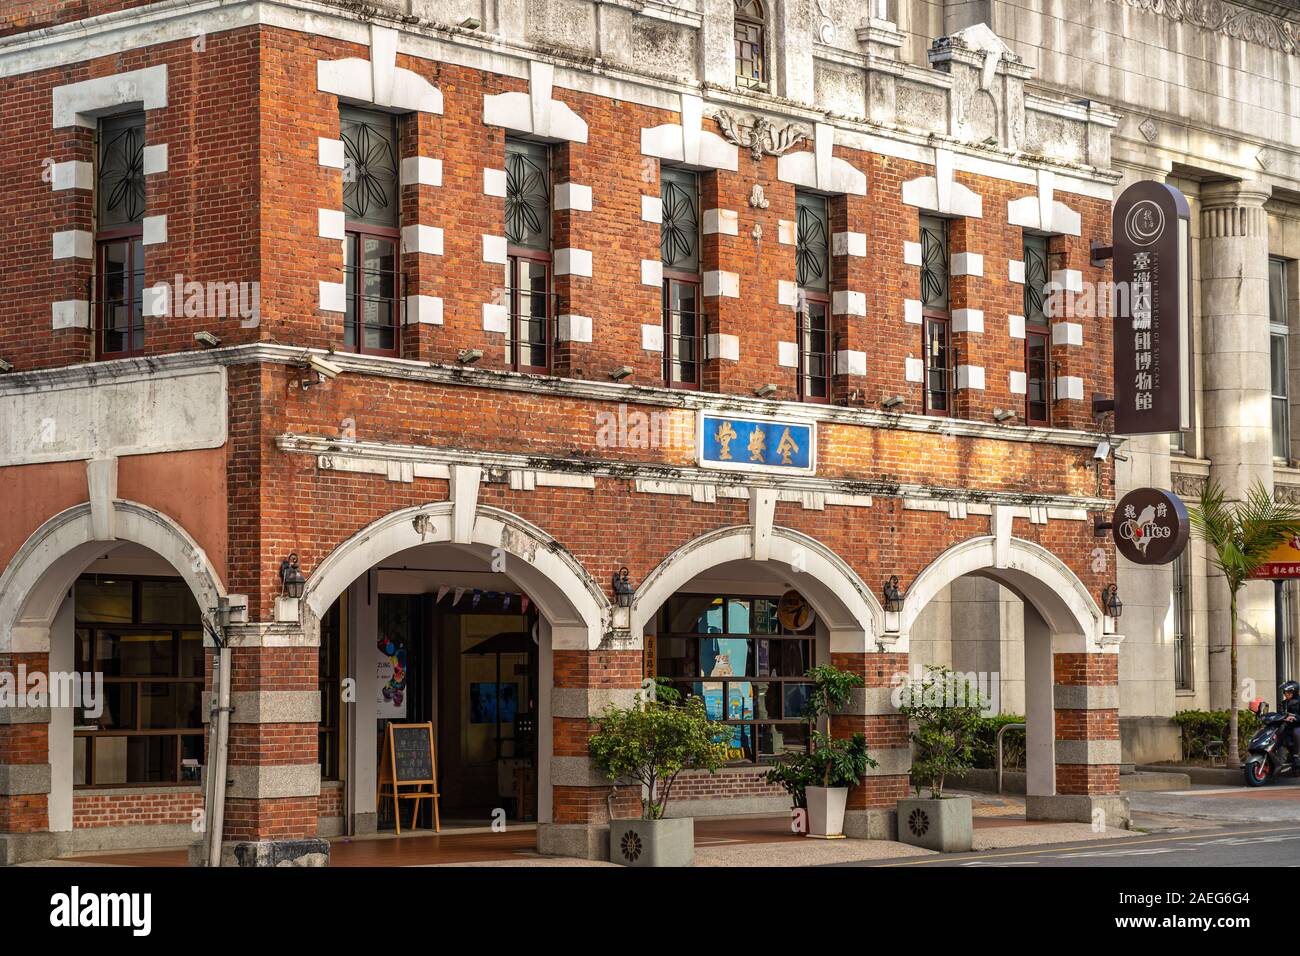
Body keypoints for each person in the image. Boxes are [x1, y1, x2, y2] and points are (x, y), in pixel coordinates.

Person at [1280, 680, 1300, 767]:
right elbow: (1279, 714)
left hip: (1298, 726)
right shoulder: (1284, 703)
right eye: (1285, 692)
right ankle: (1290, 755)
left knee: (1296, 732)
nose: (1285, 694)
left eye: (1288, 692)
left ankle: (1296, 756)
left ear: (1294, 692)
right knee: (1279, 733)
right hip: (1288, 727)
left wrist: (1295, 717)